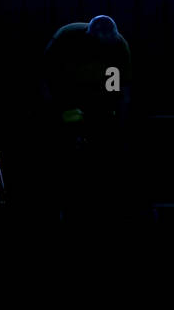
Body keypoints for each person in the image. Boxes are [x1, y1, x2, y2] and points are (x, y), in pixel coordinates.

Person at [39, 16, 134, 222]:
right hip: (65, 95)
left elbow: (120, 92)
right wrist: (53, 109)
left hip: (97, 101)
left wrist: (118, 126)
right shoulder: (68, 36)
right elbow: (46, 74)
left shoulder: (118, 48)